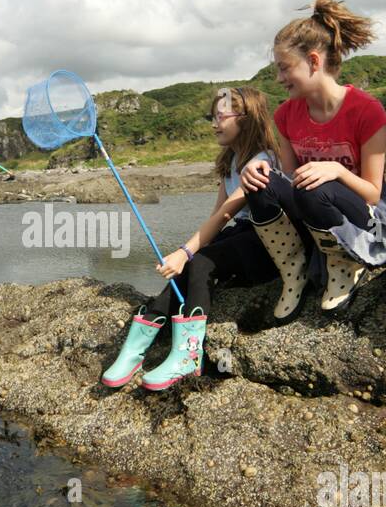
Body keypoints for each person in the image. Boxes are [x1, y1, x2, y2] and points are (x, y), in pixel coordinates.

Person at [102, 86, 281, 390]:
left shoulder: (263, 159)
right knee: (191, 265)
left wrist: (186, 253)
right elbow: (217, 216)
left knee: (199, 263)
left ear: (246, 118)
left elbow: (228, 213)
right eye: (212, 117)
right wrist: (185, 255)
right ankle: (135, 349)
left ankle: (187, 355)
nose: (214, 123)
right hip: (239, 237)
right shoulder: (230, 163)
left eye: (220, 116)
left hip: (265, 242)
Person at [240, 0, 386, 315]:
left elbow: (373, 192)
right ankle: (293, 271)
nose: (279, 78)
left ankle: (345, 265)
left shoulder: (365, 110)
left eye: (284, 68)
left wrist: (337, 171)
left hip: (365, 214)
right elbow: (290, 180)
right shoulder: (286, 114)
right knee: (260, 181)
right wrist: (259, 170)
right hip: (313, 208)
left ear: (314, 61)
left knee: (316, 184)